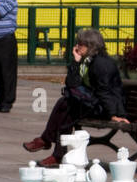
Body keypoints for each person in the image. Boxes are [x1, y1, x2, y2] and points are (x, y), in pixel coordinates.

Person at [22, 28, 128, 168]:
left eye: (80, 44)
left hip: (104, 107)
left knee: (68, 106)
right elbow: (72, 83)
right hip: (94, 103)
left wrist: (115, 115)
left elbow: (106, 92)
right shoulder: (87, 61)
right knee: (66, 103)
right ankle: (52, 149)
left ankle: (48, 143)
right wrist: (76, 62)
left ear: (91, 46)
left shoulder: (101, 64)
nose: (77, 46)